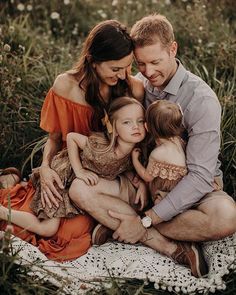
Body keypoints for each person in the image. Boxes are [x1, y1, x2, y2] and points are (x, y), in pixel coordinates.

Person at [69, 14, 236, 277]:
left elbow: (202, 177)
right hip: (143, 184)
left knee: (227, 217)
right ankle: (168, 242)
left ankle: (126, 225)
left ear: (173, 49)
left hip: (193, 190)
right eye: (141, 64)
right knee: (79, 189)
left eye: (155, 62)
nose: (148, 72)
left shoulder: (201, 100)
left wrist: (147, 219)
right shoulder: (138, 86)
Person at [0, 19, 145, 261]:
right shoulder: (65, 85)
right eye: (115, 69)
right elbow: (55, 138)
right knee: (45, 227)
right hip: (69, 168)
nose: (122, 76)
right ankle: (14, 182)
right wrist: (45, 169)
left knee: (70, 235)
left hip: (106, 173)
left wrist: (138, 176)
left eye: (127, 67)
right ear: (93, 60)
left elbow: (139, 140)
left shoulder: (134, 88)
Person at [0, 97, 146, 236]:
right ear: (113, 127)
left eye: (140, 121)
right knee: (48, 229)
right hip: (62, 177)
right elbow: (72, 137)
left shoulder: (133, 152)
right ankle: (3, 212)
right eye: (127, 122)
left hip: (78, 184)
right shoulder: (101, 148)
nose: (136, 127)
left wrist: (141, 185)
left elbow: (121, 168)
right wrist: (79, 170)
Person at [132, 100, 188, 206]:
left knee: (159, 202)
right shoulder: (178, 140)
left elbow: (147, 177)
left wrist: (135, 160)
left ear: (147, 127)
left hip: (167, 190)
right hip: (181, 188)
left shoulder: (158, 153)